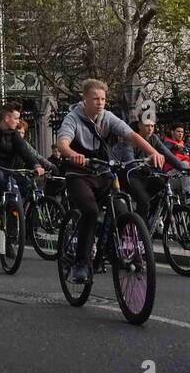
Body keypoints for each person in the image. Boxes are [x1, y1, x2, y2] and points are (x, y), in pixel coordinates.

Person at [56, 79, 168, 284]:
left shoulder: (107, 117)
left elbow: (131, 134)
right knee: (89, 211)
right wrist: (72, 154)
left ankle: (112, 250)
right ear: (85, 99)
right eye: (96, 99)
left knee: (122, 207)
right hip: (79, 174)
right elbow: (62, 142)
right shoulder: (73, 118)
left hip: (102, 172)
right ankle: (80, 263)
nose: (100, 103)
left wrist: (153, 152)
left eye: (103, 99)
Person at [0, 102, 45, 218]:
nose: (18, 122)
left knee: (24, 187)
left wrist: (36, 165)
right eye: (16, 118)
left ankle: (18, 224)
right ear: (7, 118)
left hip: (9, 171)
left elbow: (25, 151)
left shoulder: (14, 134)